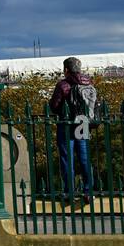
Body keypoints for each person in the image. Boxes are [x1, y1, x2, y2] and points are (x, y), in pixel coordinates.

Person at [50, 57, 97, 205]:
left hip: (67, 124)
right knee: (84, 157)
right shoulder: (88, 82)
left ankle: (68, 192)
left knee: (67, 158)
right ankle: (89, 191)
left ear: (66, 70)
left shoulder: (63, 85)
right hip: (82, 122)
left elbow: (55, 106)